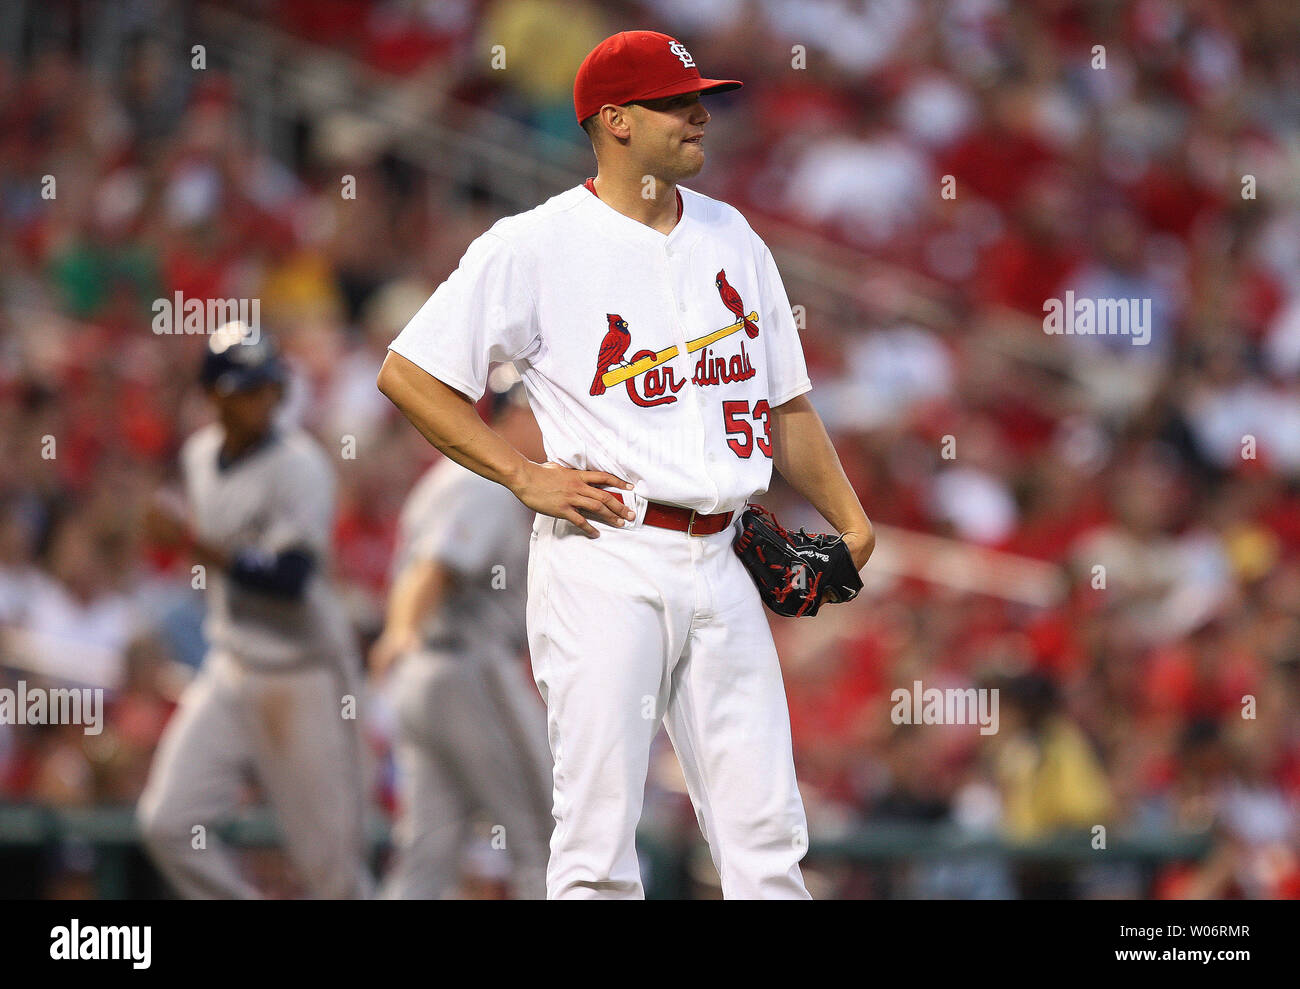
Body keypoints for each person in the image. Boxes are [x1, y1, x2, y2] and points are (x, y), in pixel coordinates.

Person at [378, 31, 874, 899]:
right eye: (676, 102)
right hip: (608, 552)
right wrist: (525, 475)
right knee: (598, 840)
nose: (698, 116)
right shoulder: (534, 244)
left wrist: (854, 522)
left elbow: (786, 404)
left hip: (724, 558)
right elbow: (409, 373)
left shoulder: (732, 235)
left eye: (700, 99)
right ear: (613, 120)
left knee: (766, 832)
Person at [137, 328, 370, 899]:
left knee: (331, 873)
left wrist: (193, 542)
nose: (263, 401)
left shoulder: (301, 467)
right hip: (231, 666)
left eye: (269, 387)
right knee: (167, 822)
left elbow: (290, 581)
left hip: (303, 674)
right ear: (213, 394)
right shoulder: (198, 455)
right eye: (247, 390)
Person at [372, 380, 552, 899]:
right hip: (465, 671)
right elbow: (433, 569)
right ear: (515, 415)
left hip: (429, 679)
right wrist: (398, 632)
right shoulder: (485, 481)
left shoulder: (464, 476)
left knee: (427, 854)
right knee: (546, 837)